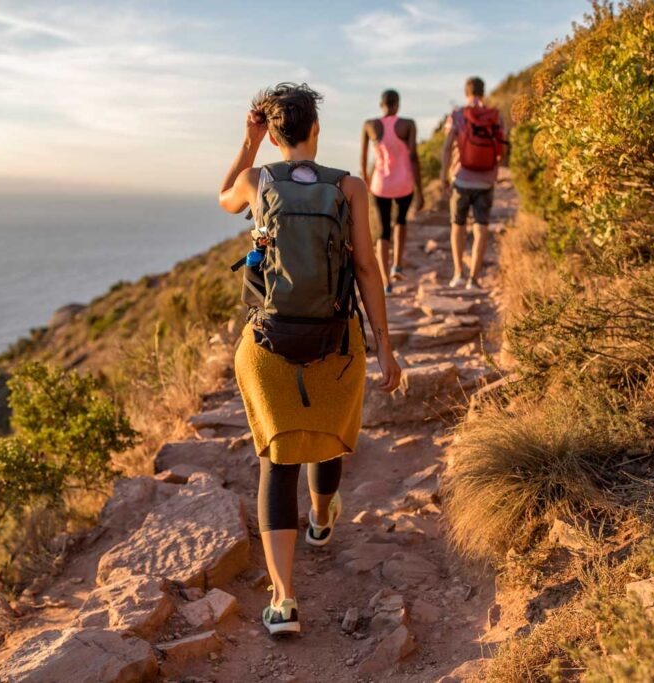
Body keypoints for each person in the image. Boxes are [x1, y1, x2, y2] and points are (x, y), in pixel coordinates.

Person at [218, 83, 402, 636]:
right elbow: (367, 270)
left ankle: (284, 602)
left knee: (277, 463)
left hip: (268, 343)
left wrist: (249, 145)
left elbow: (224, 195)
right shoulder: (350, 187)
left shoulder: (257, 181)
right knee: (326, 433)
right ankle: (321, 520)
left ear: (274, 134)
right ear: (317, 129)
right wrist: (385, 348)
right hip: (336, 339)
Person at [441, 76, 506, 289]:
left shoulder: (458, 115)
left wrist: (444, 174)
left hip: (461, 179)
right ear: (483, 92)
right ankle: (474, 279)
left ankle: (458, 273)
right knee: (481, 228)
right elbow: (501, 149)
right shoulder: (495, 116)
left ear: (466, 92)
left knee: (457, 226)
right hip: (486, 180)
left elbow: (447, 146)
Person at [361, 89, 424, 293]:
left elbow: (363, 159)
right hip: (404, 182)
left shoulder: (369, 125)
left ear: (381, 105)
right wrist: (420, 189)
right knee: (401, 221)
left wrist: (367, 181)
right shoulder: (408, 124)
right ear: (397, 105)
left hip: (380, 184)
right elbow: (413, 156)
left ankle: (386, 281)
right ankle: (397, 263)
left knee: (382, 230)